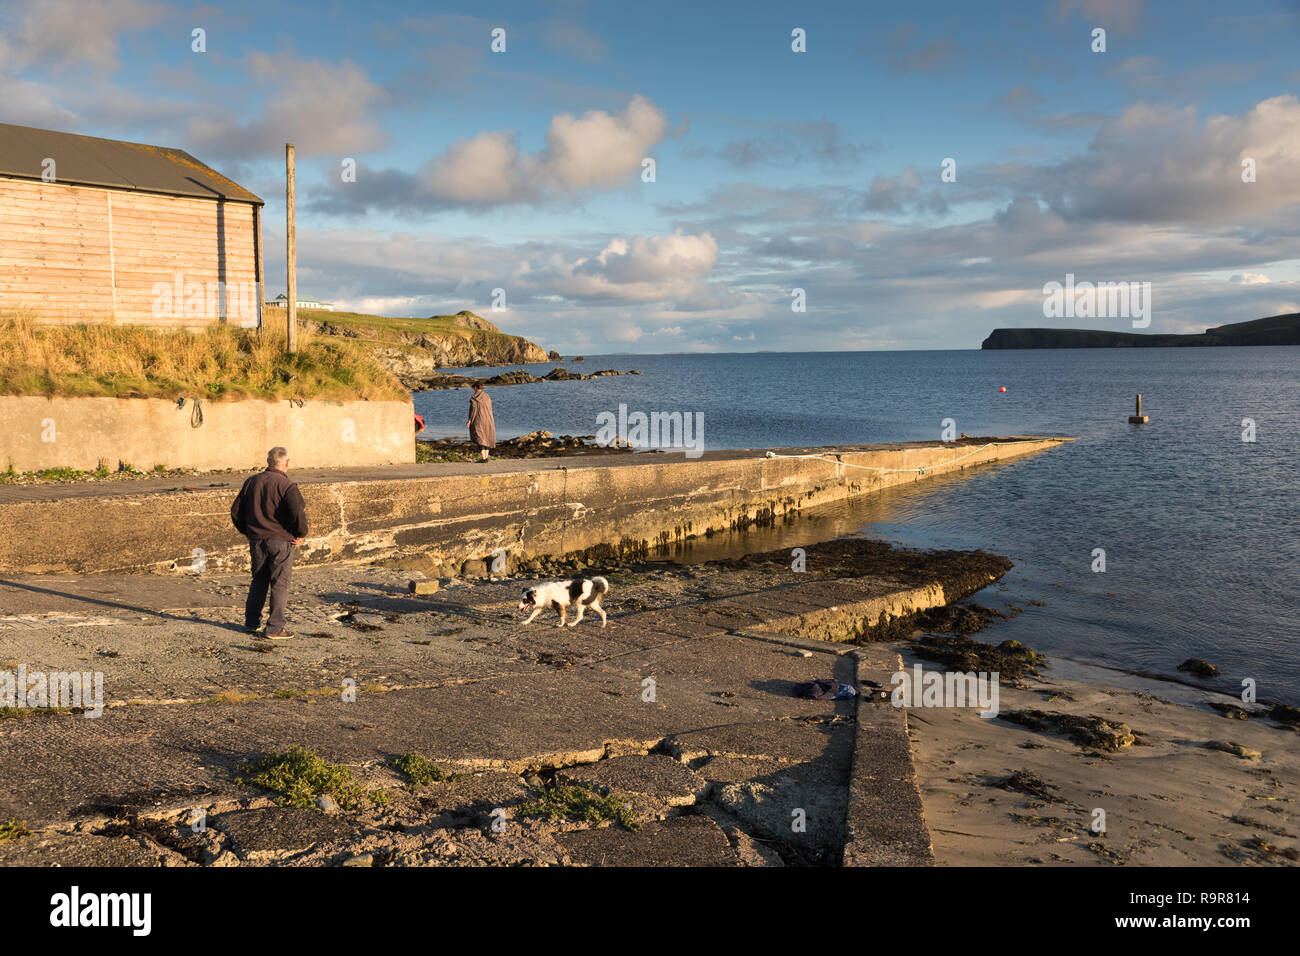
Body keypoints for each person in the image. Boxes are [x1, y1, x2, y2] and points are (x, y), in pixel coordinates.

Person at [231, 446, 308, 638]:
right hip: (281, 541)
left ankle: (251, 623)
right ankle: (275, 628)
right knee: (279, 583)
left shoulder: (251, 482)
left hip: (257, 540)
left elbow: (236, 511)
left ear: (268, 462)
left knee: (258, 581)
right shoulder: (287, 485)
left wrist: (248, 531)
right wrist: (300, 533)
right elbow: (297, 512)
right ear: (287, 463)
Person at [465, 381, 495, 462]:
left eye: (473, 388)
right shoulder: (487, 396)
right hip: (489, 419)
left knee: (479, 438)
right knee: (487, 437)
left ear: (475, 387)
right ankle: (486, 458)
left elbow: (472, 411)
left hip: (478, 419)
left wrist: (469, 420)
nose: (473, 390)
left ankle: (483, 458)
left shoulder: (474, 398)